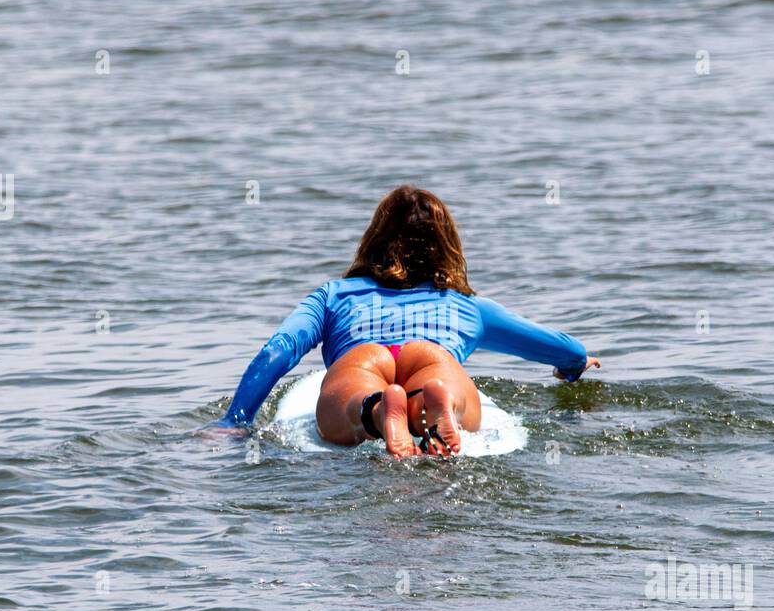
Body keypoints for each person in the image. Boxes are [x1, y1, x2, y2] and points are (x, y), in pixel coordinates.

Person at [216, 185, 600, 458]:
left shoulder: (333, 295)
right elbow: (565, 348)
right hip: (432, 358)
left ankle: (380, 411)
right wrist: (574, 366)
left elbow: (279, 350)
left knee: (353, 408)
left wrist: (235, 419)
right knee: (447, 391)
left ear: (373, 240)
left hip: (362, 359)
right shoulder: (468, 307)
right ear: (448, 245)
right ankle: (438, 403)